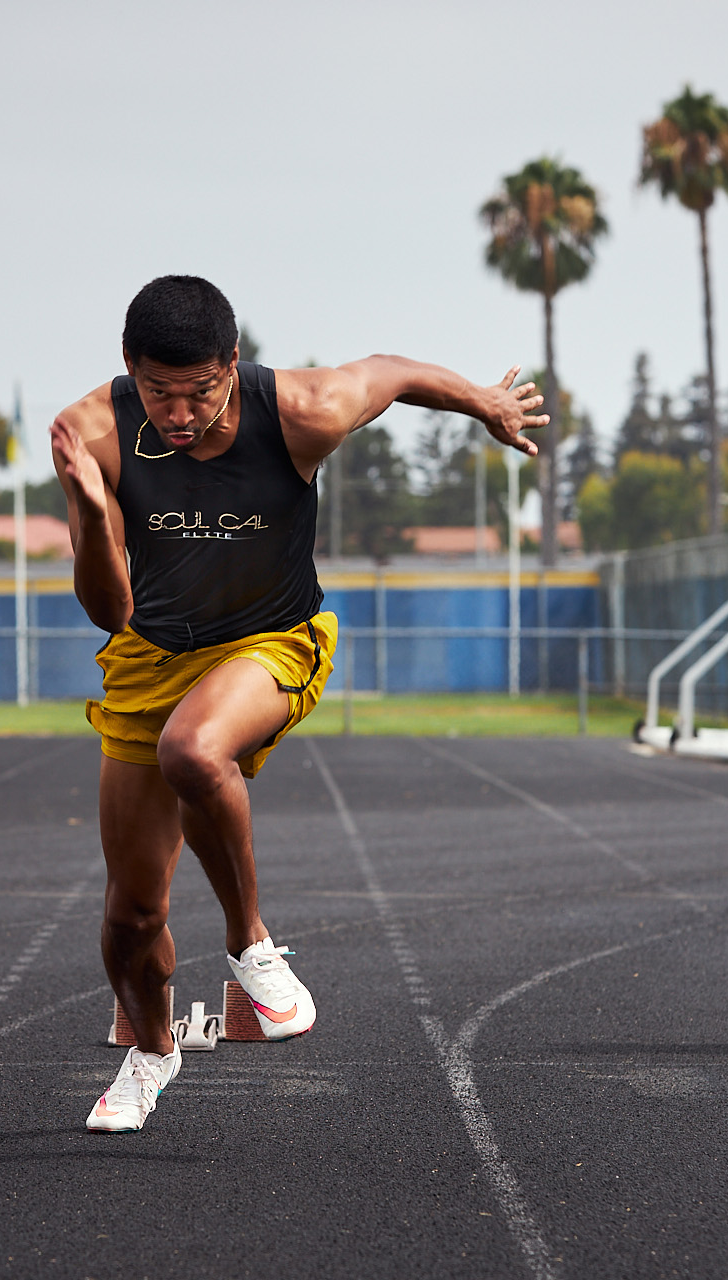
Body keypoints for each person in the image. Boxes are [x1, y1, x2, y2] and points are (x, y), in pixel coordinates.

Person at [52, 275, 545, 1131]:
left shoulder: (301, 411)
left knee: (195, 751)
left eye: (199, 392)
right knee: (131, 918)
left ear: (231, 365)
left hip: (270, 641)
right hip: (148, 654)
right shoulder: (89, 435)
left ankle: (251, 944)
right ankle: (155, 1051)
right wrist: (95, 517)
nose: (179, 413)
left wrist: (485, 403)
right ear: (129, 369)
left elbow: (391, 371)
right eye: (159, 393)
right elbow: (109, 610)